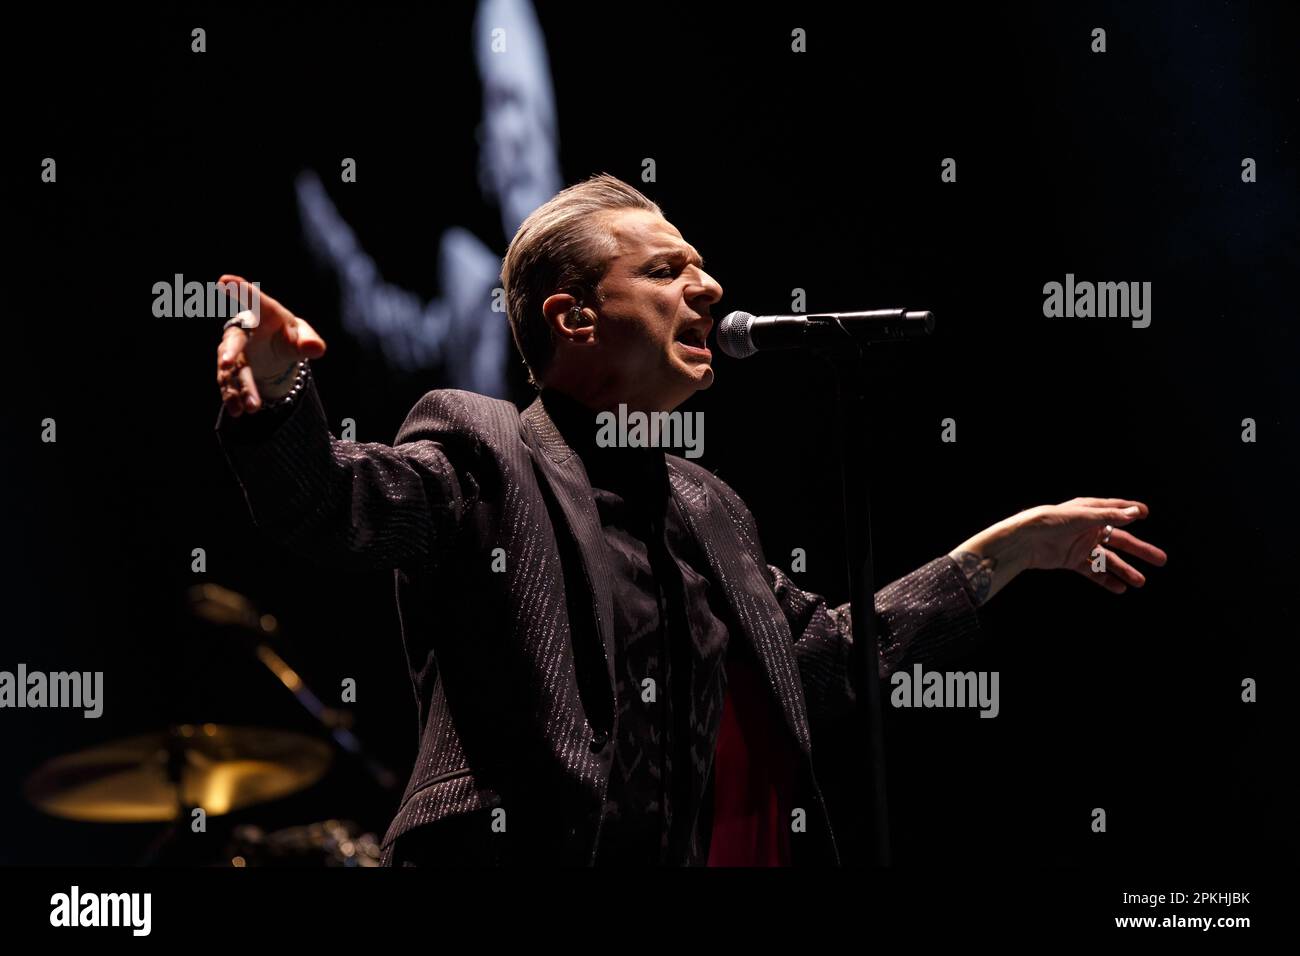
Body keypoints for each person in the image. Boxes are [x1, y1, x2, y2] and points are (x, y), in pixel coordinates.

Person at [213, 173, 1168, 866]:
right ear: (576, 318)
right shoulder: (482, 449)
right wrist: (278, 397)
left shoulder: (710, 506)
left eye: (702, 268)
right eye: (669, 270)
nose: (710, 289)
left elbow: (824, 661)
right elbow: (331, 507)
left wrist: (1010, 549)